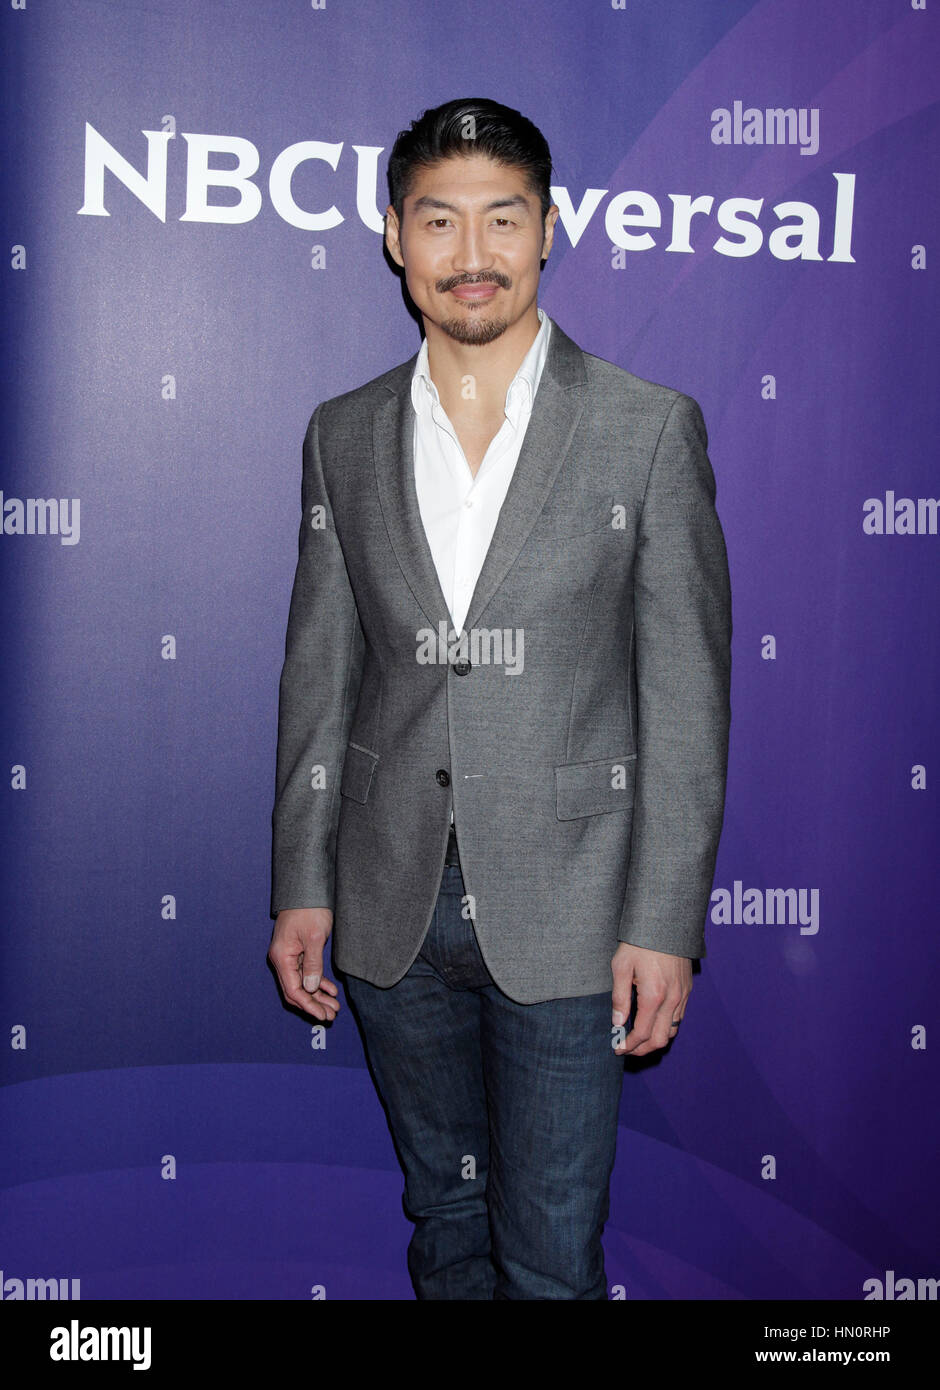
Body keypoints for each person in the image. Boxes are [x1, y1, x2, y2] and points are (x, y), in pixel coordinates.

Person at [268, 97, 732, 1301]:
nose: (471, 256)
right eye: (439, 222)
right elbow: (320, 674)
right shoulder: (343, 434)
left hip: (577, 910)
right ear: (392, 237)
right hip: (389, 906)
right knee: (446, 1222)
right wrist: (303, 883)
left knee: (550, 1254)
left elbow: (684, 699)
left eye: (501, 220)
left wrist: (665, 917)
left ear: (547, 229)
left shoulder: (645, 430)